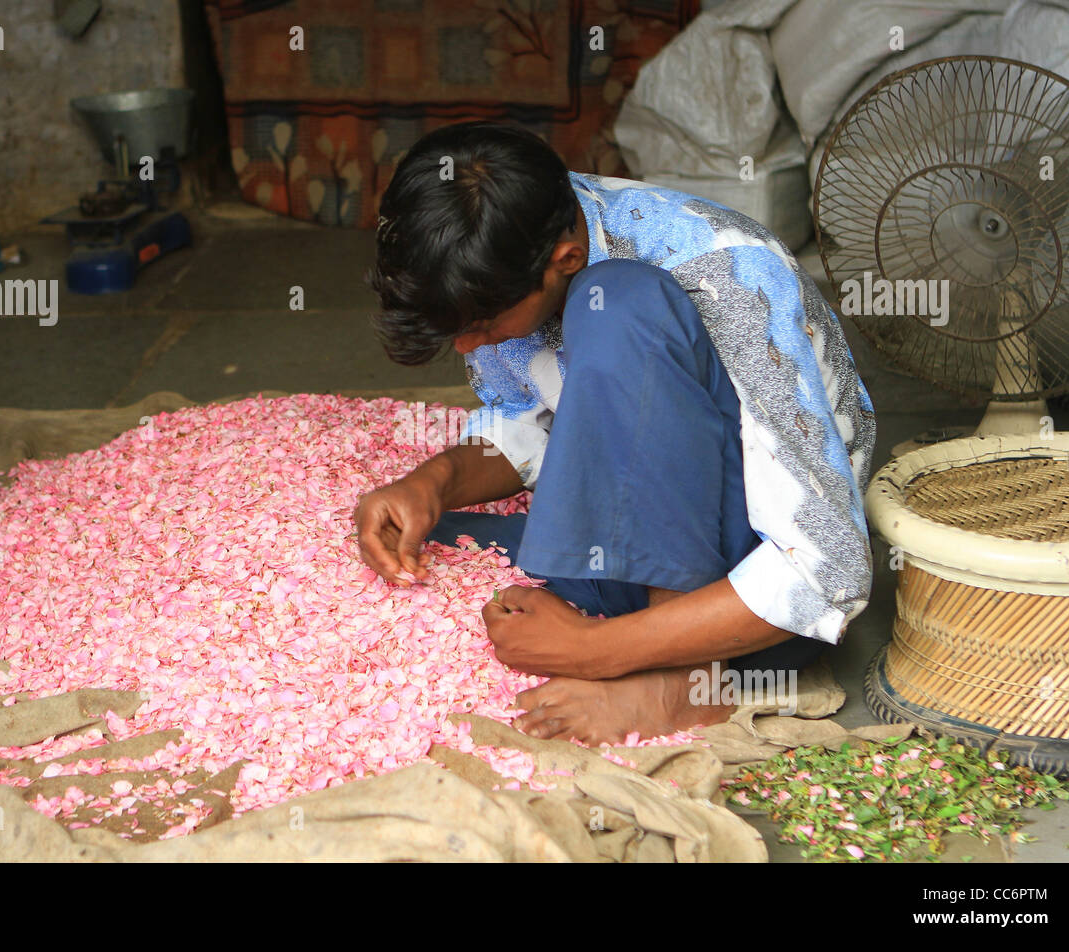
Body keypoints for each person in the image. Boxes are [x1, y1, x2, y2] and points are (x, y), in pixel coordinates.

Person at [357, 121, 875, 745]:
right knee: (430, 537)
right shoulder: (510, 240)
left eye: (484, 326)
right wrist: (434, 483)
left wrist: (595, 651)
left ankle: (678, 684)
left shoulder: (725, 273)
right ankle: (621, 622)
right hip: (642, 538)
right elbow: (540, 412)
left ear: (565, 262)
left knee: (620, 302)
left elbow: (832, 569)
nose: (467, 347)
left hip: (745, 585)